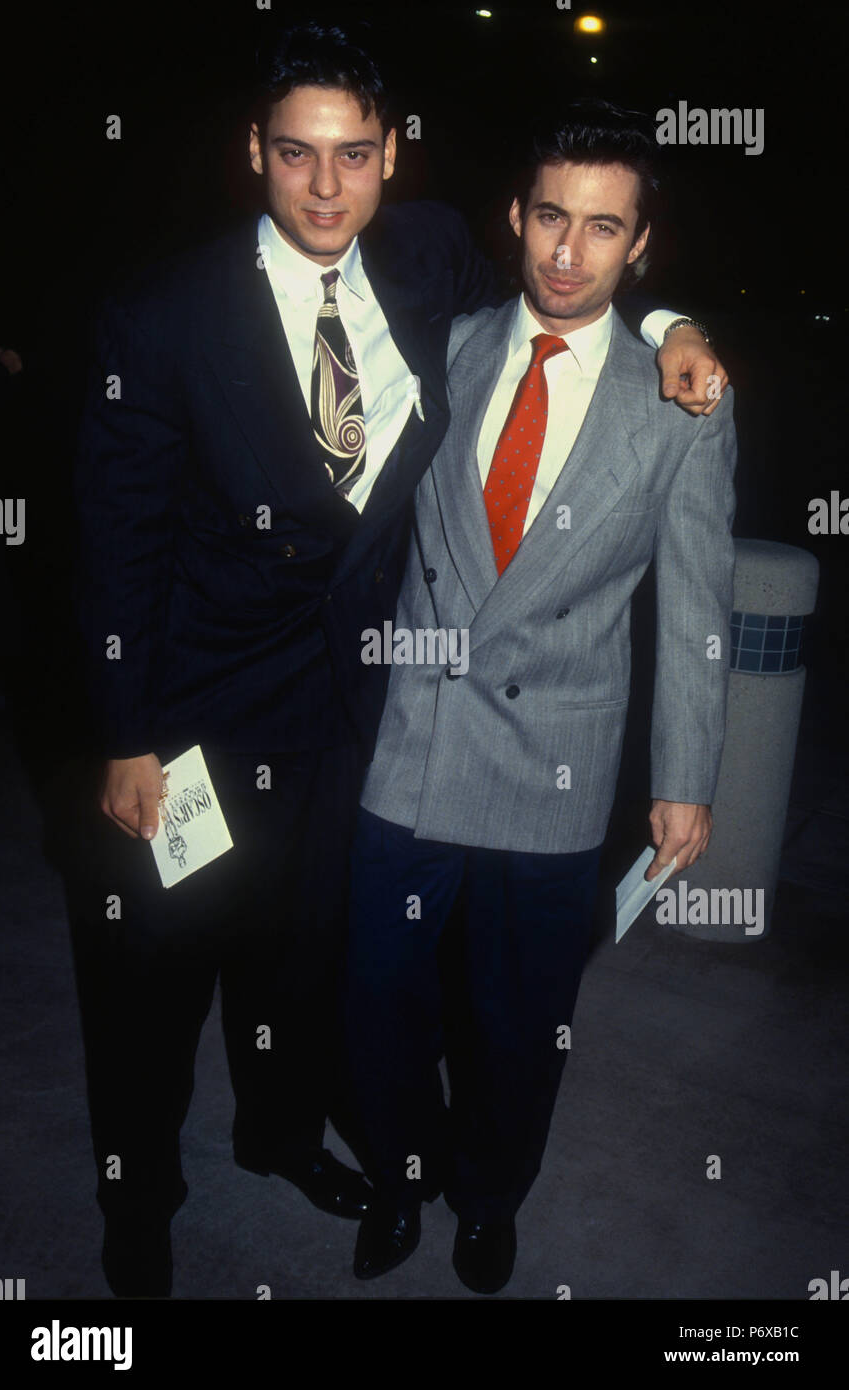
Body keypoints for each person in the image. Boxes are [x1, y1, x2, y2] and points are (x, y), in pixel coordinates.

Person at [71, 18, 725, 1297]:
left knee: (302, 966)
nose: (326, 187)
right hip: (194, 722)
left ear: (388, 164)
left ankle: (275, 1140)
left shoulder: (425, 265)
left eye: (354, 155)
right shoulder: (159, 317)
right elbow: (113, 543)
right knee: (154, 976)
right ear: (252, 154)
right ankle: (139, 1208)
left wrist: (675, 327)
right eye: (298, 154)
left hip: (352, 718)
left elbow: (579, 284)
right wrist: (123, 732)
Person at [343, 100, 737, 1295]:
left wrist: (684, 778)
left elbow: (698, 605)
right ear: (515, 216)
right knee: (381, 1007)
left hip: (555, 765)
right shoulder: (440, 343)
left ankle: (488, 1195)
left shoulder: (681, 402)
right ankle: (403, 1177)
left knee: (519, 1027)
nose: (568, 253)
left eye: (602, 229)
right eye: (551, 217)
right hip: (412, 746)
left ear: (640, 246)